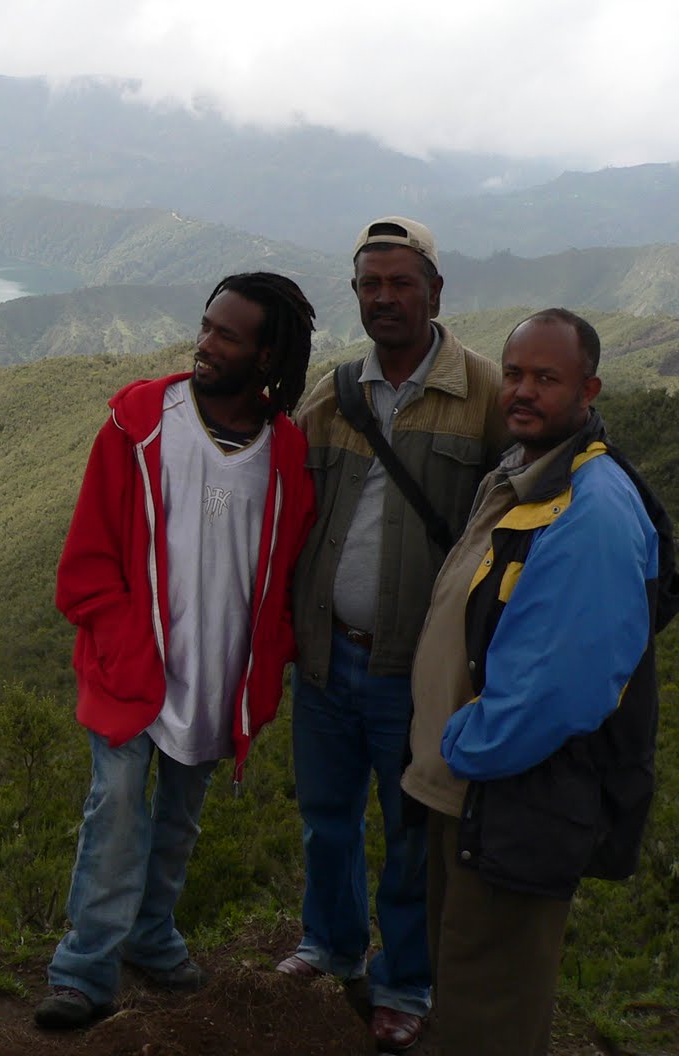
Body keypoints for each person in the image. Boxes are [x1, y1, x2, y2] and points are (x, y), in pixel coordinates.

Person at [34, 272, 318, 1029]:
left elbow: (283, 577)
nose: (205, 343)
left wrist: (268, 662)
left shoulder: (286, 455)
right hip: (131, 672)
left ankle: (153, 938)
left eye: (227, 334)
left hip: (218, 679)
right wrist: (125, 644)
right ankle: (84, 970)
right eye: (206, 325)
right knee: (117, 810)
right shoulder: (139, 425)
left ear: (266, 358)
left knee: (179, 821)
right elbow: (86, 563)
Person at [402, 310, 673, 1056]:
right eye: (514, 373)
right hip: (467, 792)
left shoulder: (592, 509)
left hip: (510, 796)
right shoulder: (524, 474)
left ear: (587, 389)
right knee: (464, 984)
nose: (522, 391)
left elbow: (566, 685)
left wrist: (466, 745)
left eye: (545, 378)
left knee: (488, 1009)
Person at [282, 217, 508, 1053]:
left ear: (435, 292)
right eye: (370, 285)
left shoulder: (484, 391)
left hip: (417, 670)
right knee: (326, 817)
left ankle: (404, 981)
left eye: (400, 282)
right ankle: (330, 944)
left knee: (411, 831)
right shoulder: (333, 394)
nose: (384, 298)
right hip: (326, 654)